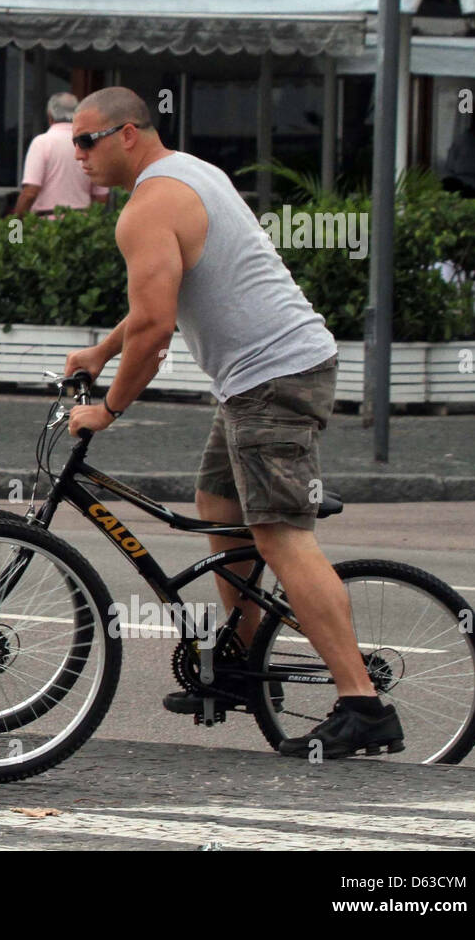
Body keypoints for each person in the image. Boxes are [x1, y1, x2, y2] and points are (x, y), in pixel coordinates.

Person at [62, 86, 403, 759]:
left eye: (86, 141)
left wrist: (108, 408)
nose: (77, 156)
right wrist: (103, 350)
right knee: (218, 504)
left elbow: (157, 330)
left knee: (281, 536)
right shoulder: (189, 173)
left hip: (274, 379)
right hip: (260, 378)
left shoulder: (148, 207)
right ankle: (244, 664)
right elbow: (163, 293)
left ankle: (362, 703)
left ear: (128, 133)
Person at [11, 92, 109, 217]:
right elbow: (101, 196)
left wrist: (15, 227)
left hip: (45, 225)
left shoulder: (42, 143)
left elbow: (30, 193)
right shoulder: (91, 143)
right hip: (82, 224)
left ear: (50, 116)